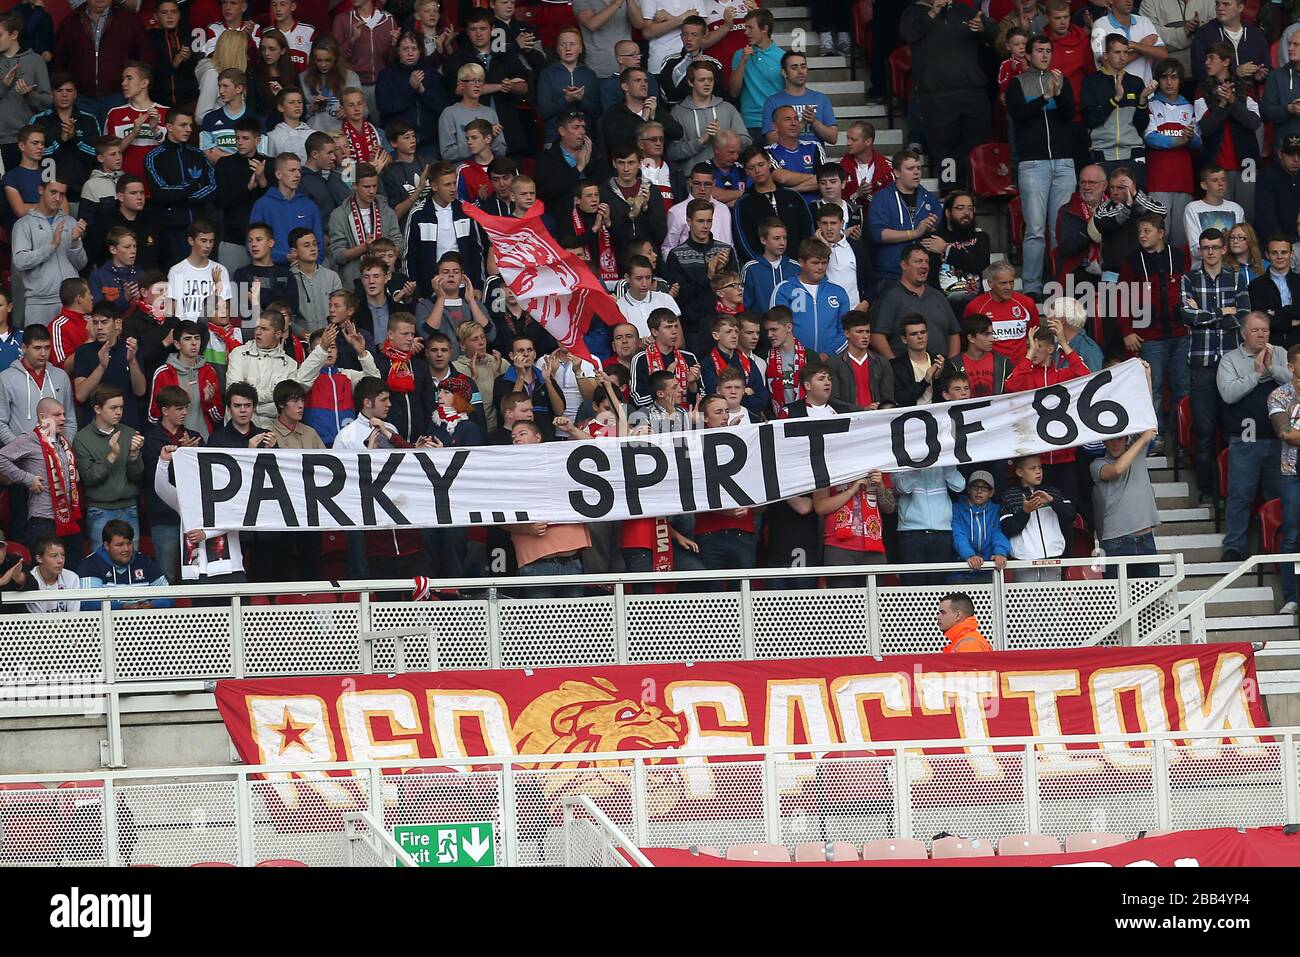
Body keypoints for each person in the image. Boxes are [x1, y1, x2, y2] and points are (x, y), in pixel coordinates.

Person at [1182, 226, 1250, 504]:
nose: (1209, 252)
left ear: (1223, 249)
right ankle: (1207, 492)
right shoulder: (1189, 278)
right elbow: (1187, 316)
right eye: (1205, 247)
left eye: (1214, 247)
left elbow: (1244, 317)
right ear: (1200, 250)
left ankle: (1232, 492)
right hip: (1202, 365)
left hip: (1232, 367)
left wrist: (1206, 314)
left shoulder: (1236, 278)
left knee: (1235, 433)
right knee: (1206, 434)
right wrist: (1224, 312)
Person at [1007, 33, 1077, 296]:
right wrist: (1044, 98)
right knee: (1035, 230)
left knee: (1060, 229)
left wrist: (1058, 93)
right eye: (1040, 51)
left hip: (1063, 162)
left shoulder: (1061, 80)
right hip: (1033, 164)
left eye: (1049, 50)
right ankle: (1033, 286)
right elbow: (1019, 116)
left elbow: (1070, 115)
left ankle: (1061, 283)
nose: (1045, 55)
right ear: (1028, 54)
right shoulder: (1018, 83)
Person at [899, 0, 996, 189]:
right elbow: (909, 34)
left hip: (972, 93)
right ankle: (950, 189)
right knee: (945, 150)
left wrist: (984, 27)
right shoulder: (912, 13)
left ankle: (974, 189)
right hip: (937, 96)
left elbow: (994, 33)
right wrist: (933, 12)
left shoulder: (964, 11)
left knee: (975, 145)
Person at [1216, 311, 1289, 562]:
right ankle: (1234, 546)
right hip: (1246, 437)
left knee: (1278, 495)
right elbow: (1228, 393)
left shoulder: (1279, 353)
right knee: (1240, 494)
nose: (1261, 335)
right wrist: (1257, 374)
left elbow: (1293, 383)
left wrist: (1272, 368)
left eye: (1265, 330)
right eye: (1256, 330)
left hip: (1279, 438)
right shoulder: (1230, 359)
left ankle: (1279, 547)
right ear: (1243, 333)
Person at [1117, 211, 1189, 454]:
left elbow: (1189, 287)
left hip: (1181, 334)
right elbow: (1121, 297)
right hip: (1150, 337)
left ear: (1161, 233)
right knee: (1153, 391)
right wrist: (1127, 330)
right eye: (1139, 232)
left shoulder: (1178, 256)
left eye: (1147, 231)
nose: (1142, 235)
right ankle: (1152, 441)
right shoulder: (1131, 261)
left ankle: (1182, 441)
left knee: (1182, 389)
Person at [505, 421, 591, 597]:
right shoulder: (507, 473)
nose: (516, 439)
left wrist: (572, 430)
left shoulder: (559, 459)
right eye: (513, 437)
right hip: (536, 564)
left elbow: (598, 451)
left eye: (522, 434)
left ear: (538, 437)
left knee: (574, 624)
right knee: (542, 624)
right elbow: (494, 517)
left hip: (572, 561)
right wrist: (526, 528)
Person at [0, 397, 82, 556]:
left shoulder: (62, 441)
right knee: (46, 572)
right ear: (43, 418)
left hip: (68, 518)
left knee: (74, 565)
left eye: (64, 414)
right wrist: (27, 478)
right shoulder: (29, 439)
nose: (63, 419)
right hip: (43, 519)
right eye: (57, 415)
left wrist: (72, 471)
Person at [52, 0, 152, 126]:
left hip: (120, 95)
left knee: (117, 142)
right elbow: (60, 60)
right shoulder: (71, 21)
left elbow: (145, 58)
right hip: (81, 98)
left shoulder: (129, 20)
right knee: (85, 143)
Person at [1193, 44, 1261, 221]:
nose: (1206, 62)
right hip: (1216, 166)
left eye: (1211, 58)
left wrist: (1232, 101)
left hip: (1247, 165)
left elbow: (1254, 122)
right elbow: (1205, 128)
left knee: (1247, 216)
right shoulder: (1202, 89)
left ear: (1225, 62)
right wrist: (1222, 105)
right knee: (1222, 218)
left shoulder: (1245, 88)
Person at [144, 109, 219, 267]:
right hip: (171, 231)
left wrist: (183, 198)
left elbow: (212, 187)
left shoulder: (198, 154)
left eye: (190, 125)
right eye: (183, 125)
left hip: (201, 229)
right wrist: (193, 185)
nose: (189, 129)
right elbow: (161, 193)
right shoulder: (154, 156)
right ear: (169, 127)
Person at [12, 180, 87, 328]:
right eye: (53, 192)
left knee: (73, 349)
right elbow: (20, 261)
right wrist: (52, 246)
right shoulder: (23, 224)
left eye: (62, 194)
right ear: (41, 190)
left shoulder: (70, 222)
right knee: (40, 348)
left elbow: (81, 264)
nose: (58, 198)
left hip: (71, 301)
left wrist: (75, 242)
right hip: (39, 302)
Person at [661, 198, 736, 346]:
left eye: (709, 220)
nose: (706, 226)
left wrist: (720, 275)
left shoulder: (726, 251)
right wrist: (708, 275)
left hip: (724, 326)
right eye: (700, 221)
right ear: (689, 221)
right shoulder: (676, 255)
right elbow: (679, 297)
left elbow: (735, 290)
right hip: (692, 329)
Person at [869, 243, 960, 360]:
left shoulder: (938, 297)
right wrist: (895, 366)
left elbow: (953, 334)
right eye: (918, 261)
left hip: (940, 372)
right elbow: (876, 336)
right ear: (904, 265)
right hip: (906, 374)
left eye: (926, 262)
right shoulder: (890, 296)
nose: (924, 266)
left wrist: (952, 365)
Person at [1144, 58, 1199, 248]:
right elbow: (1149, 137)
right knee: (1157, 237)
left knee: (1180, 239)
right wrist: (1178, 141)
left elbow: (1199, 142)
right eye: (1165, 77)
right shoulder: (1151, 105)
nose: (1169, 82)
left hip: (1183, 181)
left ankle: (1177, 278)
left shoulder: (1190, 108)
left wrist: (1190, 138)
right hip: (1158, 180)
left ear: (1180, 80)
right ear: (1158, 80)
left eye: (1174, 77)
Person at [1092, 427, 1161, 577]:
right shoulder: (1096, 464)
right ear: (1104, 441)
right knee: (1117, 598)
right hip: (1117, 542)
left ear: (1126, 439)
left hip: (1146, 538)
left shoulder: (1138, 450)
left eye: (1119, 438)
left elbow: (1146, 422)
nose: (1115, 443)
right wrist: (1143, 440)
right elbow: (1117, 469)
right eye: (1111, 439)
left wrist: (1142, 438)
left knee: (1151, 597)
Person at [867, 150, 942, 285]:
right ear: (896, 173)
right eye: (910, 168)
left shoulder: (930, 200)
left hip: (923, 275)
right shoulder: (881, 198)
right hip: (890, 274)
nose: (916, 172)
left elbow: (937, 230)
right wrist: (916, 233)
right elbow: (879, 234)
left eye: (918, 168)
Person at [1000, 453, 1077, 581]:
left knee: (1053, 601)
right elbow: (1008, 528)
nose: (1038, 472)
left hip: (1053, 557)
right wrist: (1025, 511)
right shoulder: (1010, 496)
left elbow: (1071, 516)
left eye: (1040, 468)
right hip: (1024, 560)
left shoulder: (1052, 492)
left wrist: (1052, 501)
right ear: (1019, 472)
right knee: (1026, 601)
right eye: (1032, 468)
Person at [771, 237, 853, 357]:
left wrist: (827, 355)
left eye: (824, 262)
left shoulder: (838, 292)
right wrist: (798, 355)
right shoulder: (784, 289)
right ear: (801, 262)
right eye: (815, 262)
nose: (820, 267)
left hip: (830, 361)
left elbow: (845, 331)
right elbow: (776, 327)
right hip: (792, 359)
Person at [71, 304, 147, 430]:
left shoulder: (131, 349)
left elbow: (140, 391)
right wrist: (101, 367)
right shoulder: (84, 351)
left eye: (104, 322)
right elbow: (80, 395)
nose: (99, 328)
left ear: (117, 323)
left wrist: (132, 361)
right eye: (95, 323)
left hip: (127, 424)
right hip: (94, 427)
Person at [732, 146, 812, 264]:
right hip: (763, 270)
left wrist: (802, 261)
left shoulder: (793, 196)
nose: (757, 171)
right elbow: (744, 242)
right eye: (751, 167)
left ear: (769, 163)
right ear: (746, 171)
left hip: (798, 267)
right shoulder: (743, 203)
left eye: (761, 164)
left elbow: (807, 231)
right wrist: (763, 266)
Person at [327, 162, 402, 288]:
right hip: (355, 282)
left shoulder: (386, 211)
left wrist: (387, 254)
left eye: (374, 186)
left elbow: (399, 242)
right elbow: (337, 255)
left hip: (386, 281)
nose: (372, 191)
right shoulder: (339, 215)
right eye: (366, 187)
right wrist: (364, 247)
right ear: (354, 185)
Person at [923, 189, 991, 314]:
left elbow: (978, 265)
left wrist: (946, 249)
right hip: (941, 310)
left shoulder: (981, 238)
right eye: (960, 208)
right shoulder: (933, 238)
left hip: (974, 311)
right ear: (948, 213)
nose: (966, 212)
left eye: (970, 208)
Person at [78, 518, 172, 605]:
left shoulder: (145, 562)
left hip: (144, 620)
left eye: (129, 543)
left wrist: (149, 606)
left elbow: (168, 597)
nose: (126, 549)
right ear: (106, 546)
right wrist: (124, 607)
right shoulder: (91, 564)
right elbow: (89, 603)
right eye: (120, 545)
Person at [962, 261, 1040, 364]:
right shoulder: (975, 307)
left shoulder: (1027, 303)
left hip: (1021, 369)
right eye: (1003, 283)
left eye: (1011, 282)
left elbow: (1034, 336)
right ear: (990, 283)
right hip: (991, 370)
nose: (1009, 287)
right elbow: (967, 341)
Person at [729, 8, 783, 143]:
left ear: (764, 29)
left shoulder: (782, 57)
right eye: (745, 27)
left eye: (750, 28)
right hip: (748, 123)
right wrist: (743, 62)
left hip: (775, 123)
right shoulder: (740, 55)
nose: (746, 32)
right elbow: (733, 92)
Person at [699, 313, 768, 418]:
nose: (734, 336)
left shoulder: (748, 362)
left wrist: (735, 399)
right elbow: (714, 399)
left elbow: (762, 398)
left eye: (736, 331)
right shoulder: (707, 364)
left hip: (750, 419)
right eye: (728, 332)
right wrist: (745, 393)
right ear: (716, 335)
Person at [630, 308, 699, 408]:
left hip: (687, 416)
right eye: (668, 327)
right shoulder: (641, 359)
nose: (674, 331)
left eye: (676, 326)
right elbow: (637, 400)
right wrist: (664, 381)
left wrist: (692, 385)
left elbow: (703, 399)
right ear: (654, 332)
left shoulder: (689, 357)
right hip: (654, 418)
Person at [951, 469, 1010, 583]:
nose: (979, 491)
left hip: (989, 568)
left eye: (984, 488)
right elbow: (958, 535)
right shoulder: (956, 509)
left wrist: (1000, 553)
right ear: (968, 489)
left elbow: (998, 533)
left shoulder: (996, 510)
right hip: (961, 568)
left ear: (991, 492)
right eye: (975, 487)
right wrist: (969, 555)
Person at [814, 203, 874, 311]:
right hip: (825, 312)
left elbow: (871, 280)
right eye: (824, 223)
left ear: (841, 224)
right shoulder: (812, 250)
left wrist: (866, 303)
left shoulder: (857, 246)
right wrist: (823, 248)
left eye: (833, 223)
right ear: (818, 224)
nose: (829, 228)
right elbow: (813, 278)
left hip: (855, 312)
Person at [828, 311, 894, 410]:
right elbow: (833, 400)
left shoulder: (882, 363)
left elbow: (888, 399)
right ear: (847, 333)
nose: (865, 336)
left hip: (877, 419)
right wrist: (862, 409)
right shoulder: (834, 364)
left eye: (867, 331)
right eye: (859, 331)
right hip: (849, 421)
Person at [1251, 235, 1300, 350]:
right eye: (1274, 253)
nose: (1279, 257)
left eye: (1284, 252)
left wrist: (1276, 312)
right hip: (1269, 347)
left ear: (1291, 254)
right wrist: (1291, 322)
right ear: (1267, 255)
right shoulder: (1256, 285)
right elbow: (1261, 319)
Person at [890, 315, 948, 407]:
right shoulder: (895, 366)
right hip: (910, 418)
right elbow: (900, 399)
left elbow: (949, 395)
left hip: (938, 417)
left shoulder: (940, 361)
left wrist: (937, 378)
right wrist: (925, 381)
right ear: (904, 339)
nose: (920, 336)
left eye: (923, 332)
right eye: (914, 334)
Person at [740, 218, 798, 311]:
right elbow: (744, 304)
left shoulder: (795, 267)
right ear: (763, 240)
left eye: (785, 238)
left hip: (791, 324)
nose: (782, 243)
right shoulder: (751, 269)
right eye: (776, 238)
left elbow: (801, 304)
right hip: (760, 324)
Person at [616, 255, 678, 336]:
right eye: (639, 278)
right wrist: (641, 344)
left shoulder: (665, 299)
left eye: (648, 278)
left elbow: (679, 341)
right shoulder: (619, 306)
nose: (644, 284)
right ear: (627, 277)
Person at [22, 537, 78, 612]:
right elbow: (38, 620)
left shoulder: (72, 578)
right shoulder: (30, 581)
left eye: (63, 555)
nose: (60, 560)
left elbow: (74, 616)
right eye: (54, 556)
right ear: (39, 559)